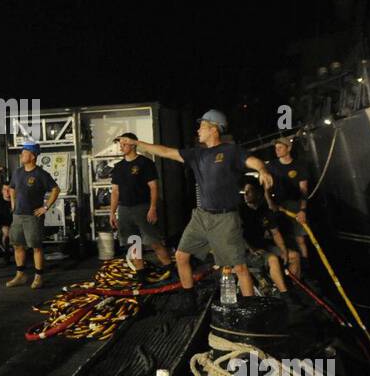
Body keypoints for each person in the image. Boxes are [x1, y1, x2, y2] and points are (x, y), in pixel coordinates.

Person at [135, 110, 274, 299]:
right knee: (182, 256)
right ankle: (189, 299)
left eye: (202, 126)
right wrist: (137, 144)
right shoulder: (196, 154)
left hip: (225, 218)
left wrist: (263, 170)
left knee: (239, 267)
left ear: (213, 128)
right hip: (201, 216)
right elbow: (166, 152)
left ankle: (249, 306)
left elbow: (254, 161)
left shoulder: (231, 151)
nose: (198, 130)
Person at [109, 133, 172, 266]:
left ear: (133, 144)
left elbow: (153, 187)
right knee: (133, 245)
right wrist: (112, 213)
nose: (121, 146)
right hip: (125, 210)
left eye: (124, 143)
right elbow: (115, 191)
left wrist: (153, 208)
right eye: (120, 143)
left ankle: (171, 271)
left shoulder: (145, 163)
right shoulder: (118, 167)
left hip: (142, 208)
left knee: (154, 242)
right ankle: (141, 276)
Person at [4, 142, 59, 289]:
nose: (21, 155)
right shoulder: (17, 172)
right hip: (17, 216)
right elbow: (12, 188)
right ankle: (20, 275)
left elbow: (55, 190)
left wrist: (45, 207)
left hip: (32, 216)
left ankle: (38, 276)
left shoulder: (40, 174)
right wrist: (13, 205)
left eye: (24, 152)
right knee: (17, 245)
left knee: (36, 246)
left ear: (33, 156)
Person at [239, 179, 293, 295]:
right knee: (272, 259)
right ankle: (286, 295)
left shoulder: (265, 211)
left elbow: (275, 233)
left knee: (294, 256)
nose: (246, 194)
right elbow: (236, 234)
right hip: (246, 249)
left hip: (263, 245)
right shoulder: (240, 211)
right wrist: (251, 248)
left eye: (249, 191)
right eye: (245, 191)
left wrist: (284, 251)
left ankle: (291, 287)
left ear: (258, 194)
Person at [265, 136, 311, 261]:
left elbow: (304, 189)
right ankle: (289, 263)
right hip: (279, 206)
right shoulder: (271, 166)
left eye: (280, 147)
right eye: (276, 148)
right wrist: (270, 204)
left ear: (289, 148)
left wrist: (303, 210)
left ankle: (306, 264)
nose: (277, 150)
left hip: (295, 205)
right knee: (282, 236)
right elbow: (266, 188)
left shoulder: (299, 165)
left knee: (300, 238)